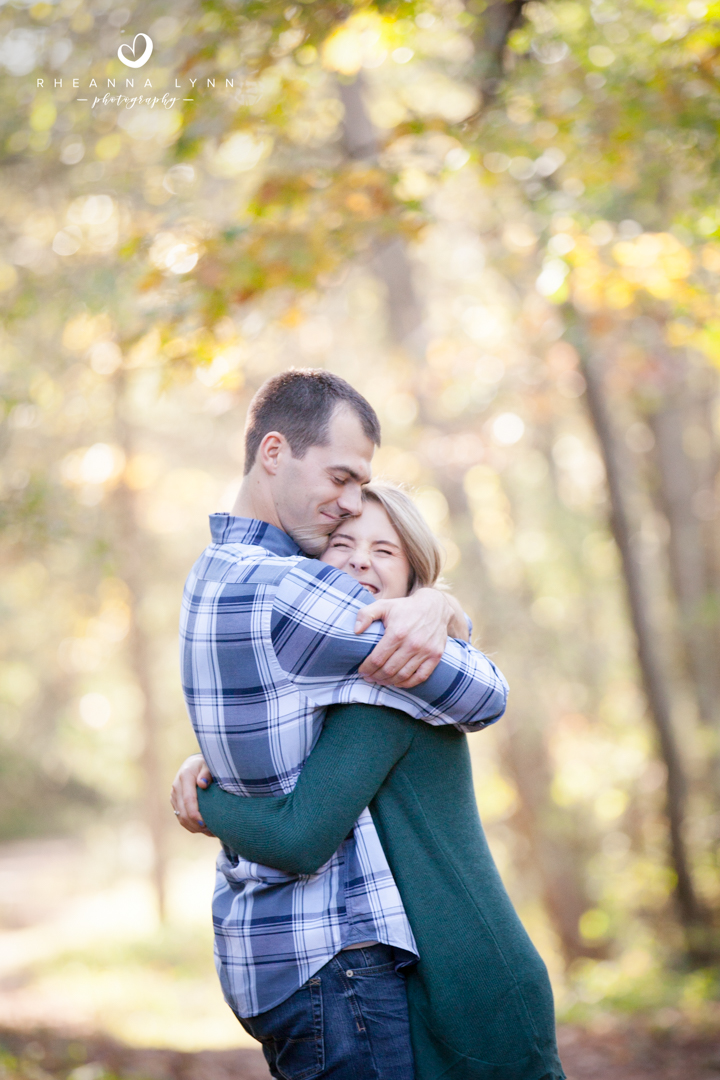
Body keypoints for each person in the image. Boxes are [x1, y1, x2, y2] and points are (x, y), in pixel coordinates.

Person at [176, 368, 509, 1080]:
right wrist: (444, 614)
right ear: (274, 453)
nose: (349, 503)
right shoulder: (291, 588)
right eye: (340, 477)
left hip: (262, 950)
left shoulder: (215, 572)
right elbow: (483, 693)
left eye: (362, 484)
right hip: (335, 957)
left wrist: (434, 607)